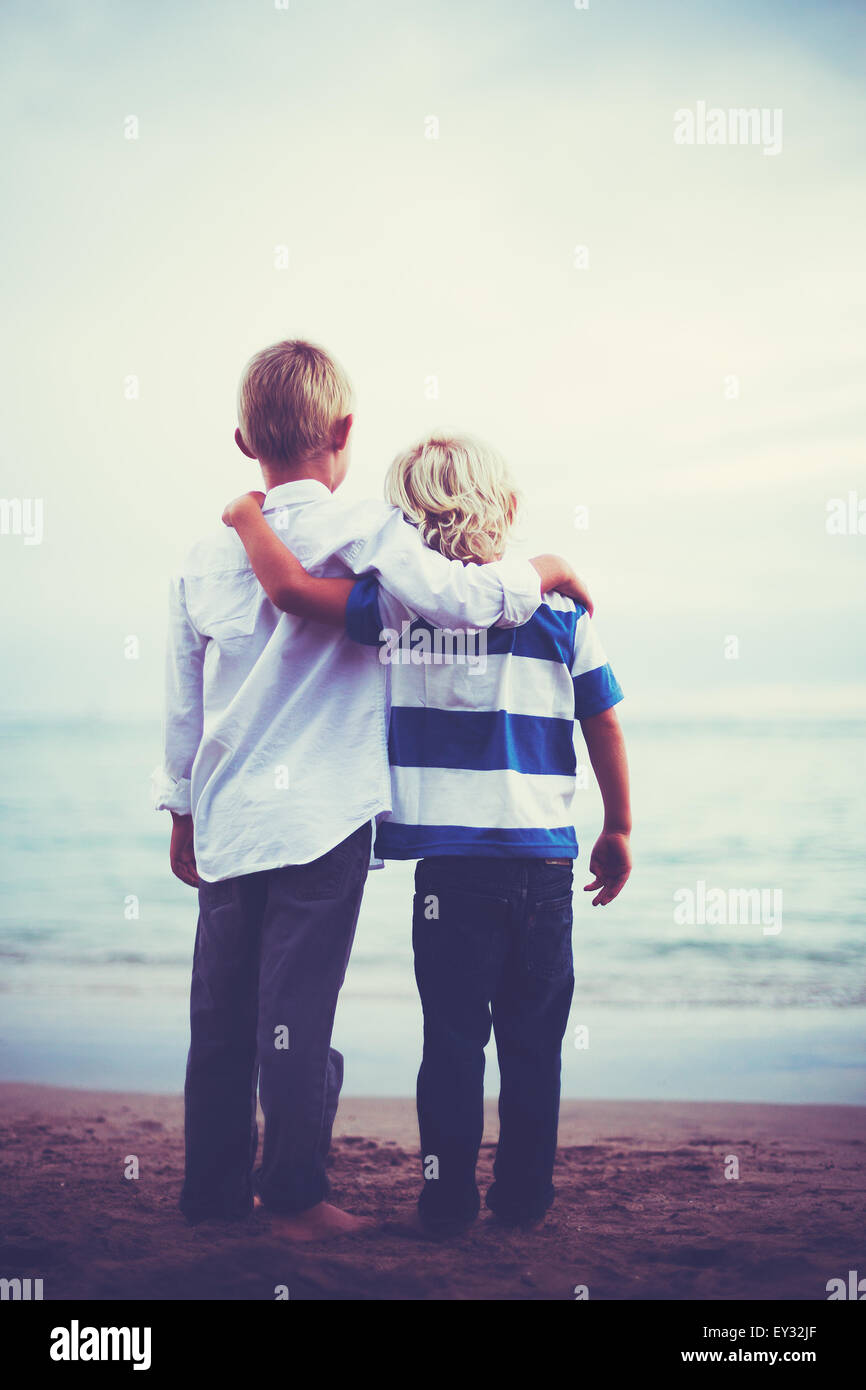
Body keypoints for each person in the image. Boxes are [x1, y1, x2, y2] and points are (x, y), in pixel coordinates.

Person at [154, 341, 588, 1240]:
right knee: (297, 1015)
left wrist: (181, 810)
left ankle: (212, 1193)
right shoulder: (366, 533)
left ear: (244, 439)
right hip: (325, 819)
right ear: (346, 432)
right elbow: (468, 603)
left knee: (221, 1014)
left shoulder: (202, 554)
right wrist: (542, 570)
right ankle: (296, 1196)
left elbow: (182, 704)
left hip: (231, 812)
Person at [222, 430, 631, 1237]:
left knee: (450, 1045)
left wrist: (248, 519)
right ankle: (522, 1202)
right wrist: (617, 825)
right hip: (544, 869)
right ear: (507, 508)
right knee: (533, 1047)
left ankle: (446, 1203)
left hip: (450, 877)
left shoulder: (394, 611)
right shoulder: (560, 616)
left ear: (403, 523)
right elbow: (604, 721)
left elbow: (295, 593)